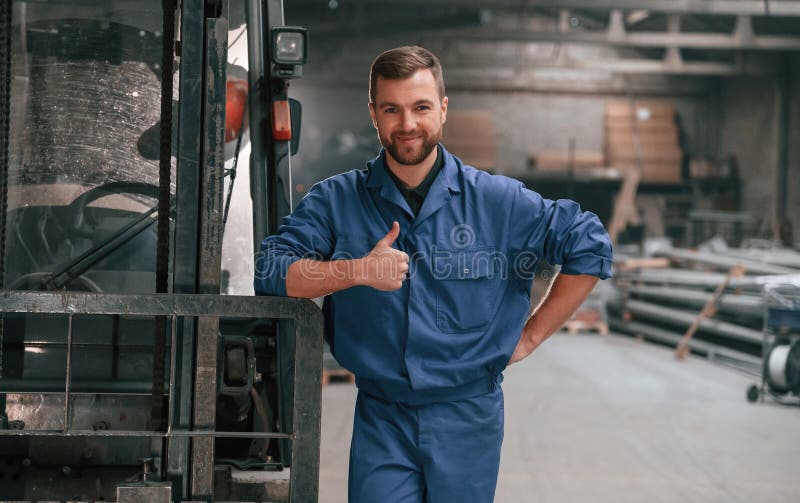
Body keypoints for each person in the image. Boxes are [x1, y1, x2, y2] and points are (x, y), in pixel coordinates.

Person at [255, 45, 613, 503]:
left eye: (421, 107)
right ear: (374, 115)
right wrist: (356, 270)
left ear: (442, 109)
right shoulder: (336, 200)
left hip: (468, 417)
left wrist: (531, 336)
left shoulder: (498, 202)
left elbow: (588, 244)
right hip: (382, 416)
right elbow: (270, 270)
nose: (407, 123)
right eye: (392, 109)